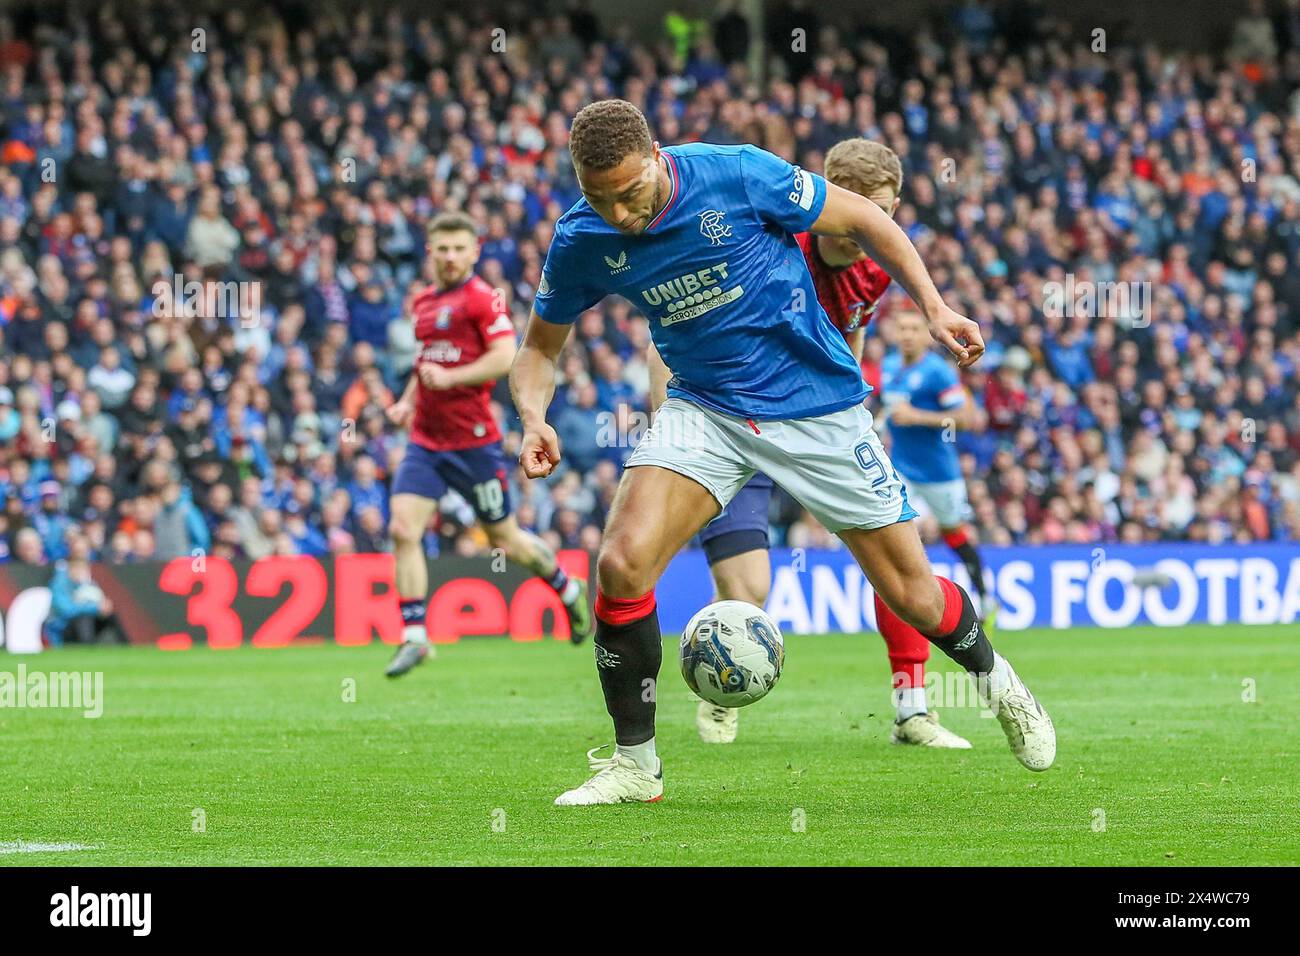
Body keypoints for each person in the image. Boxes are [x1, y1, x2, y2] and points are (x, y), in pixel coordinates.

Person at [510, 100, 1055, 806]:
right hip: (704, 406)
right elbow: (538, 349)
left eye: (630, 193)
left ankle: (1000, 685)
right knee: (620, 563)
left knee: (913, 596)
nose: (618, 213)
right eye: (598, 197)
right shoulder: (582, 236)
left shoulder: (734, 173)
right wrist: (532, 417)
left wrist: (935, 306)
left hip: (816, 405)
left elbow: (864, 218)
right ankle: (635, 764)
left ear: (656, 157)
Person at [648, 139, 970, 749]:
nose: (860, 227)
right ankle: (721, 685)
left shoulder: (877, 266)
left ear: (893, 205)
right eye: (850, 207)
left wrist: (852, 416)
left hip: (819, 425)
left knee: (900, 569)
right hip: (732, 419)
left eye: (877, 210)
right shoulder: (767, 240)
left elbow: (848, 340)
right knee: (751, 588)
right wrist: (668, 412)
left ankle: (912, 710)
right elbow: (676, 322)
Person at [383, 212, 594, 677]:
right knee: (402, 529)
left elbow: (504, 357)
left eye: (460, 248)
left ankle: (567, 589)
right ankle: (415, 636)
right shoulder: (422, 304)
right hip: (425, 441)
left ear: (475, 251)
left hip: (473, 443)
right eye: (443, 248)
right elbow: (426, 363)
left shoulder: (483, 300)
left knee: (505, 539)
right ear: (430, 253)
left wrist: (450, 378)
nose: (451, 256)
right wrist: (405, 402)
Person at [881, 309, 997, 620]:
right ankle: (909, 601)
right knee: (897, 530)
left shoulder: (938, 372)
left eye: (913, 329)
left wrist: (917, 417)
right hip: (902, 468)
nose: (906, 334)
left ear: (925, 335)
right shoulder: (889, 366)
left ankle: (984, 596)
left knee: (954, 534)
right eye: (901, 327)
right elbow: (892, 411)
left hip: (939, 473)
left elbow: (964, 419)